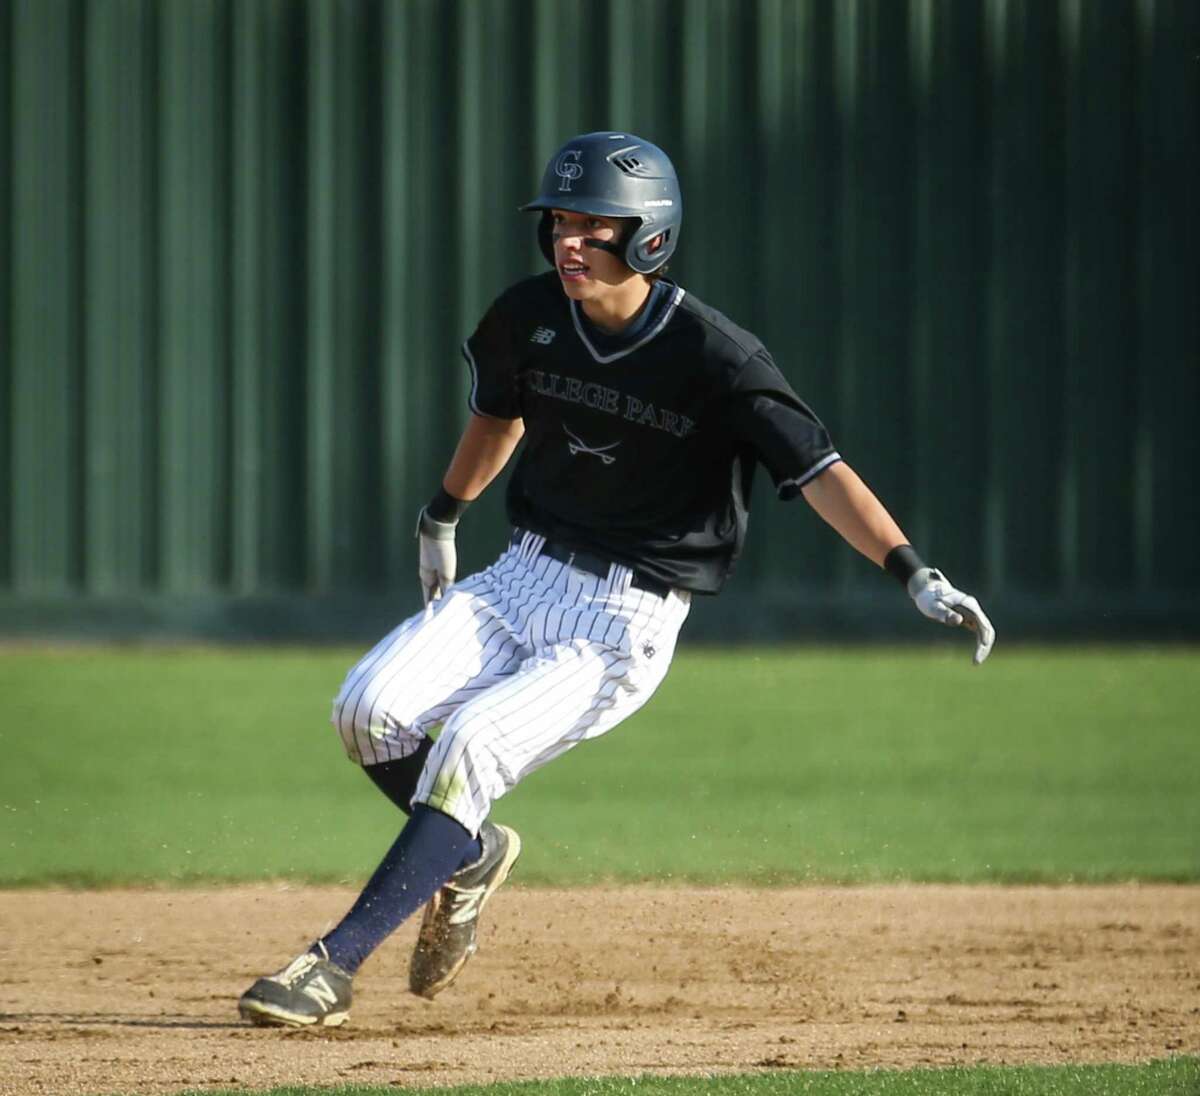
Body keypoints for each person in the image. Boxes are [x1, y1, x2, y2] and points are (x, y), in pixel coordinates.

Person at [237, 131, 994, 1028]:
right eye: (561, 221)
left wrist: (911, 571)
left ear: (649, 236)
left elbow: (819, 471)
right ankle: (468, 854)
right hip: (519, 575)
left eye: (594, 226)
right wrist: (441, 516)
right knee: (366, 710)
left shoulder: (718, 356)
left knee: (469, 745)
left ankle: (331, 967)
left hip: (622, 616)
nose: (570, 241)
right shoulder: (530, 316)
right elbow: (498, 417)